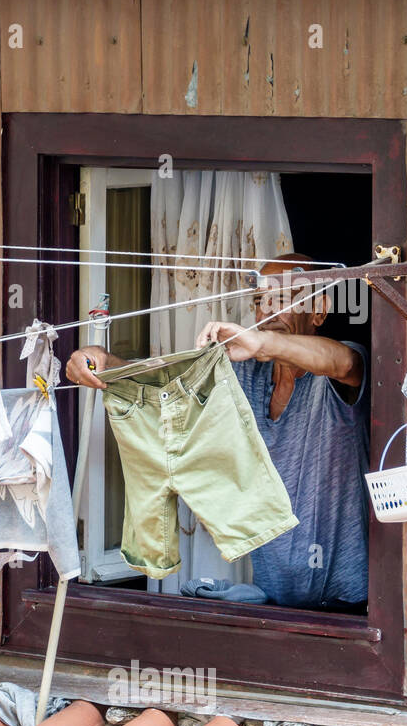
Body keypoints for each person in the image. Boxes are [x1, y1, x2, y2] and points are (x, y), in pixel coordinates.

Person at [64, 254, 369, 610]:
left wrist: (262, 344)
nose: (267, 312)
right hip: (271, 597)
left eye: (282, 300)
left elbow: (343, 362)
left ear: (319, 310)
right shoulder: (244, 379)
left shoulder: (338, 373)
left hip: (348, 601)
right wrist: (103, 360)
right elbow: (165, 380)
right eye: (259, 301)